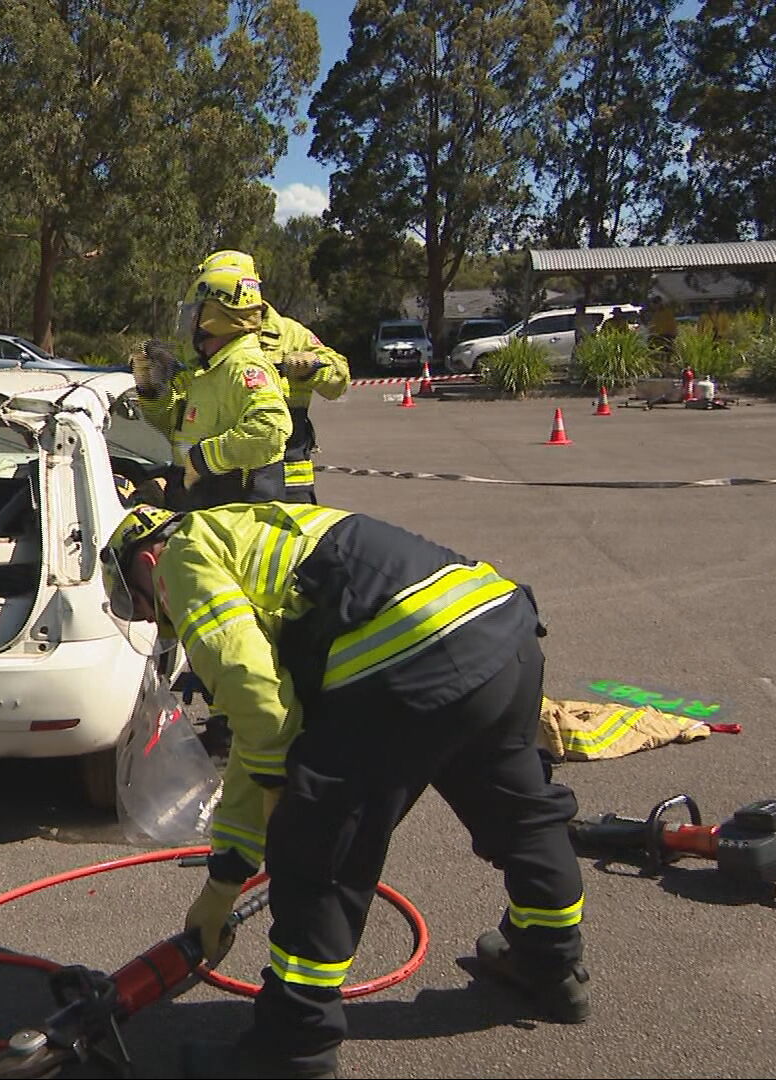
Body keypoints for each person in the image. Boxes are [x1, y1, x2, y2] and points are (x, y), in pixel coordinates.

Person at [101, 503, 589, 1079]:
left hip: (411, 664)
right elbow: (264, 727)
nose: (160, 626)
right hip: (502, 629)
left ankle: (292, 1049)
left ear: (148, 562)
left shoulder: (181, 558)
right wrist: (228, 869)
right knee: (519, 812)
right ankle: (550, 965)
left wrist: (232, 874)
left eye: (144, 607)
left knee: (318, 857)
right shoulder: (251, 523)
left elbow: (262, 711)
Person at [133, 264, 292, 510]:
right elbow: (178, 434)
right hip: (205, 502)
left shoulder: (243, 366)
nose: (191, 320)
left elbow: (270, 429)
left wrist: (202, 460)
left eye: (196, 312)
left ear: (216, 316)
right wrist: (151, 390)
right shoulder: (209, 369)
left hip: (235, 513)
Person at [196, 250, 348, 502]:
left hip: (289, 480)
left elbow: (339, 381)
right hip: (222, 478)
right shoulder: (202, 337)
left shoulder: (290, 334)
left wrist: (313, 367)